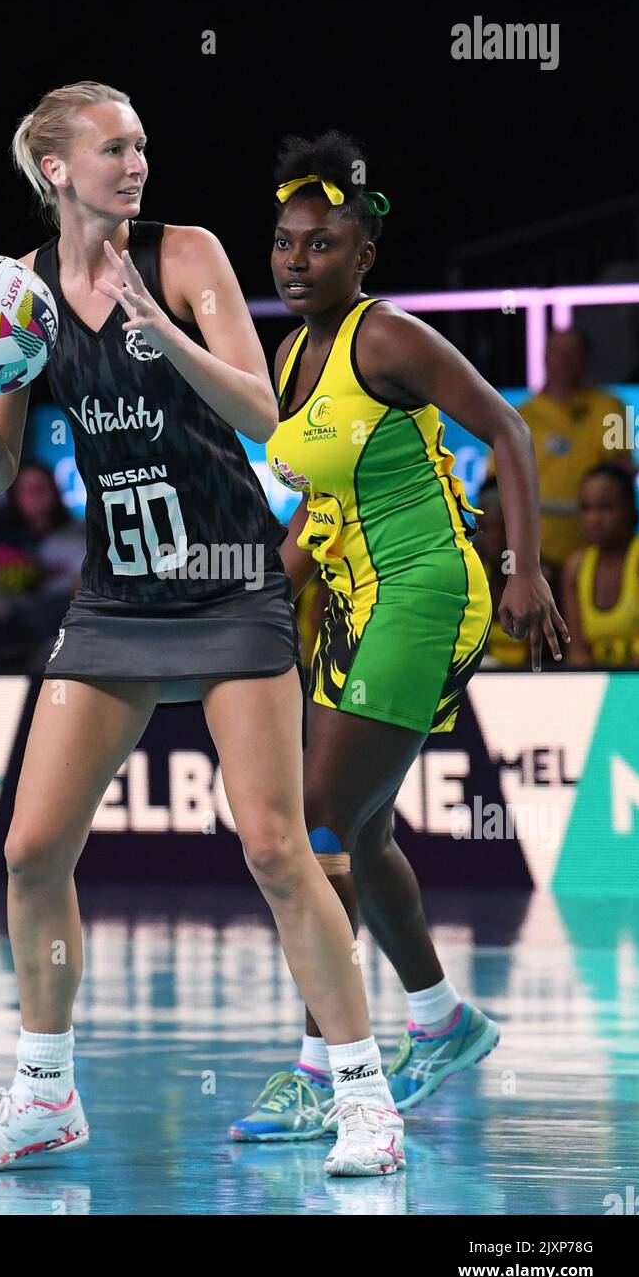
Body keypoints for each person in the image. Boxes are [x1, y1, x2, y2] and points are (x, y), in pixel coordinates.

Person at [0, 82, 408, 1177]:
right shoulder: (25, 298)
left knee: (276, 847)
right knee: (32, 848)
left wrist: (156, 329)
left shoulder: (185, 257)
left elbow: (266, 419)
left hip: (230, 579)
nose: (134, 163)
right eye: (110, 148)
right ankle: (44, 1095)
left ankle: (364, 1095)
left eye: (140, 144)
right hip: (117, 598)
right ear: (55, 169)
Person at [230, 131, 569, 1141]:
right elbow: (314, 521)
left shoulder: (387, 337)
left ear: (361, 257)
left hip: (426, 590)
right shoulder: (291, 354)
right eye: (286, 244)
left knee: (317, 818)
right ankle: (440, 1020)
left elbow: (503, 430)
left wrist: (524, 567)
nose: (297, 262)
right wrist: (236, 605)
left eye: (320, 246)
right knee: (363, 832)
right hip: (350, 600)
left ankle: (324, 1070)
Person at [487, 328, 626, 581]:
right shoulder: (518, 416)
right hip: (533, 560)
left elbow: (620, 473)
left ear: (586, 359)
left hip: (594, 555)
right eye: (557, 351)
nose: (564, 359)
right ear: (544, 356)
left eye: (573, 352)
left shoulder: (610, 408)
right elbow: (494, 487)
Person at [561, 464, 639, 666]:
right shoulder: (575, 567)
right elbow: (577, 653)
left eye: (605, 507)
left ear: (630, 508)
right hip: (600, 686)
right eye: (586, 508)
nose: (594, 519)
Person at [473, 478, 528, 668]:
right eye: (482, 528)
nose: (492, 536)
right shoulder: (469, 580)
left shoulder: (541, 580)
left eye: (500, 527)